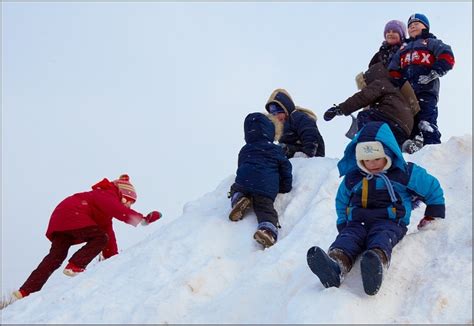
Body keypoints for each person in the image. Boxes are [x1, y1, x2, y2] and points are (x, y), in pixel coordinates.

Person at [306, 121, 445, 295]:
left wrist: (434, 212)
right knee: (347, 239)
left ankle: (375, 264)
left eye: (377, 158)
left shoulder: (404, 172)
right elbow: (341, 200)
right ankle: (335, 265)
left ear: (389, 153)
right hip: (358, 221)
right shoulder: (353, 177)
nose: (372, 164)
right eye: (366, 160)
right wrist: (343, 223)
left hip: (390, 221)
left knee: (382, 237)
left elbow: (432, 187)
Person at [12, 174, 162, 300]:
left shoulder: (104, 213)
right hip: (74, 213)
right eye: (128, 201)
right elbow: (117, 210)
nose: (129, 205)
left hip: (61, 221)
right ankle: (75, 265)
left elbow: (109, 236)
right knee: (100, 238)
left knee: (56, 257)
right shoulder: (106, 194)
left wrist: (113, 260)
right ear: (121, 194)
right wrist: (142, 219)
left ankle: (26, 291)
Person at [388, 13, 455, 146]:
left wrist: (435, 71)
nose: (412, 27)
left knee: (426, 121)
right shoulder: (403, 49)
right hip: (407, 94)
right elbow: (393, 68)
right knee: (408, 123)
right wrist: (398, 81)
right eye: (410, 26)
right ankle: (414, 151)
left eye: (416, 24)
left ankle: (432, 150)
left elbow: (447, 55)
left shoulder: (430, 42)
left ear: (426, 27)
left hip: (426, 89)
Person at [228, 112, 292, 248]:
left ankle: (238, 198)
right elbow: (285, 167)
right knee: (265, 209)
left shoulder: (245, 149)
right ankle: (267, 231)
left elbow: (240, 167)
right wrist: (285, 186)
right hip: (265, 186)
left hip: (245, 182)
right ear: (270, 131)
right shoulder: (275, 149)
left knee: (235, 187)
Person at [323, 62, 420, 152]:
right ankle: (403, 144)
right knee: (391, 139)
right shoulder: (392, 88)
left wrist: (339, 109)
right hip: (403, 128)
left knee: (364, 116)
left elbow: (362, 97)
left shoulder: (380, 83)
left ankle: (366, 143)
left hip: (391, 119)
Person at [264, 88, 325, 158]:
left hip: (311, 160)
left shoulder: (299, 118)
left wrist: (306, 153)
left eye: (279, 112)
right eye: (273, 114)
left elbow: (310, 137)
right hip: (295, 161)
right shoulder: (281, 128)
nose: (276, 117)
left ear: (286, 108)